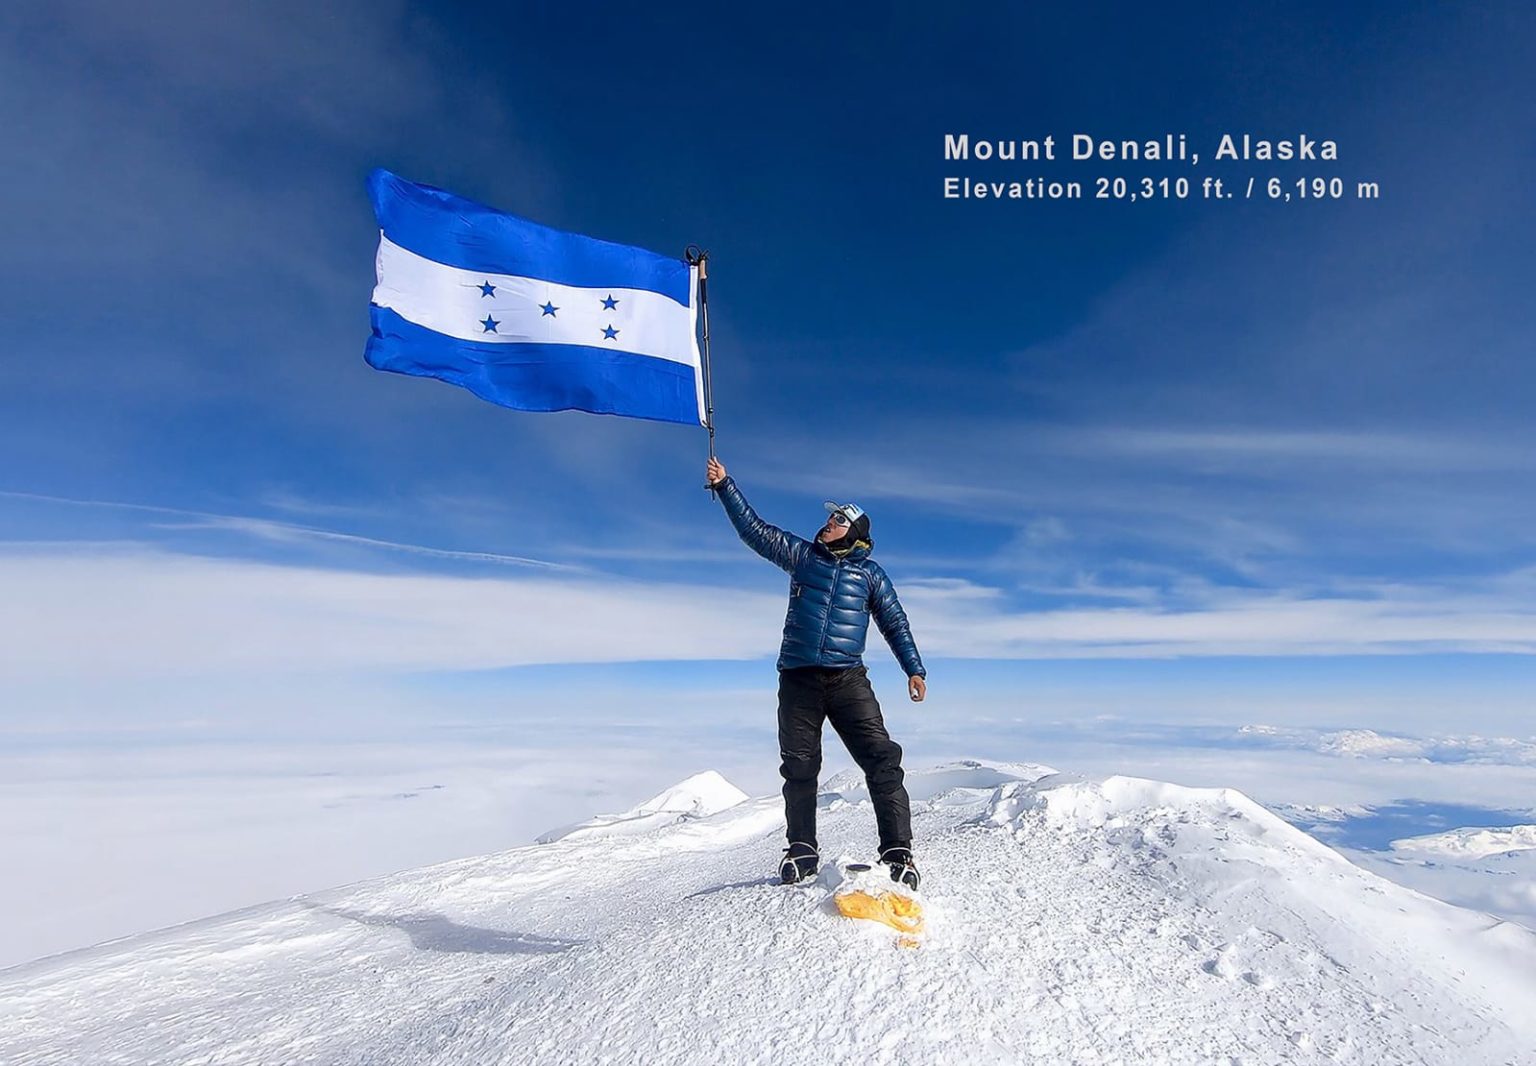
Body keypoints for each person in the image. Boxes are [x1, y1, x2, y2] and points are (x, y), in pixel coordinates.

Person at [706, 456, 927, 889]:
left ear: (856, 532)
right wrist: (726, 485)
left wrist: (913, 670)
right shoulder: (804, 557)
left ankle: (898, 852)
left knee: (882, 761)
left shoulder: (871, 576)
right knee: (800, 767)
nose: (828, 522)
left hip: (848, 679)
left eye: (838, 519)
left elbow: (895, 623)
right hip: (799, 678)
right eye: (828, 517)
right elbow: (756, 531)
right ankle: (802, 850)